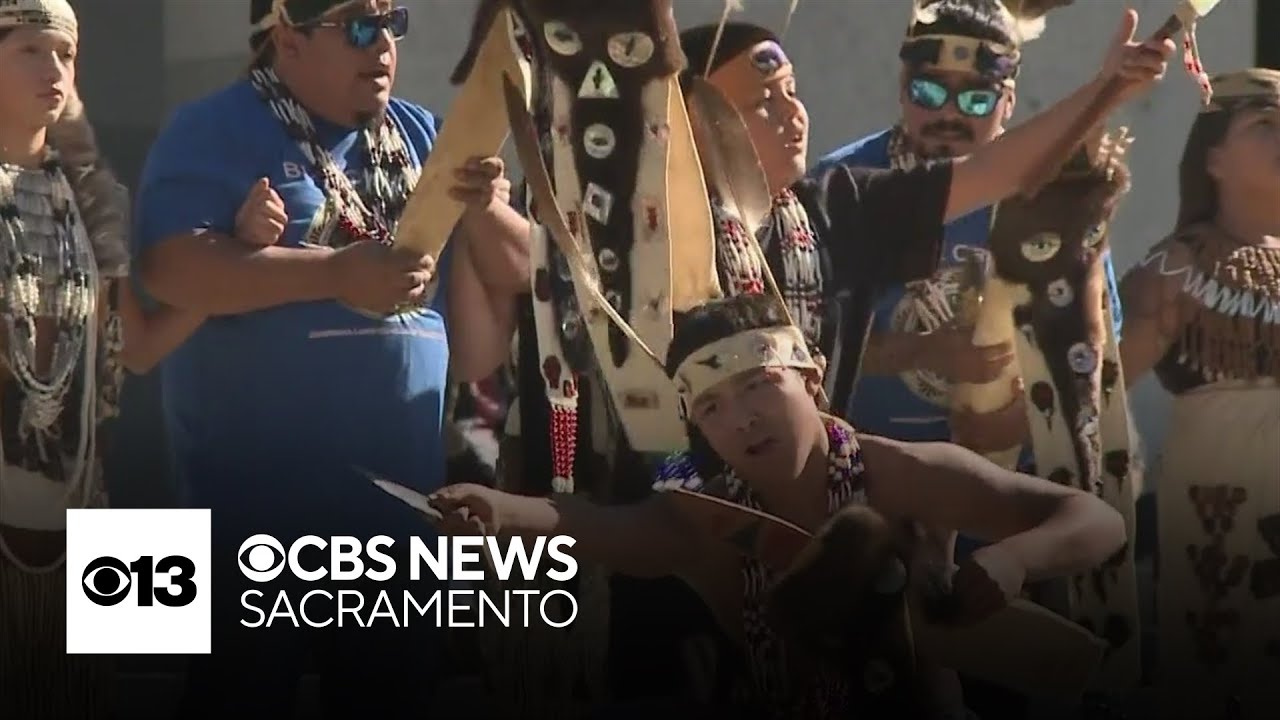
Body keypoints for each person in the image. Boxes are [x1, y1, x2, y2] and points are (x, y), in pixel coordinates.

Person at [424, 292, 1127, 718]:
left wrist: (1011, 561)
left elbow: (1098, 521)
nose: (743, 419)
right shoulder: (703, 520)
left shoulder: (902, 475)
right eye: (713, 408)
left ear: (812, 383)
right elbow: (598, 527)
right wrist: (503, 510)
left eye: (761, 385)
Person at [131, 0, 529, 716]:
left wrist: (489, 210)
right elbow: (169, 269)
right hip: (247, 522)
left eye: (392, 22)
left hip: (400, 523)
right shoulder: (213, 126)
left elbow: (482, 344)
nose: (382, 43)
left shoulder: (424, 136)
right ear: (287, 37)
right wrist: (334, 274)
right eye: (356, 26)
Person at [0, 1, 227, 716]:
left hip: (90, 513)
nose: (56, 70)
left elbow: (141, 350)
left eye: (66, 54)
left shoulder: (98, 201)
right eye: (32, 51)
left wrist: (231, 271)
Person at [817, 0, 1127, 456]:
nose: (950, 114)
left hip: (1015, 482)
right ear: (902, 90)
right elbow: (800, 334)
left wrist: (1023, 417)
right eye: (929, 93)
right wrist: (916, 352)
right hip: (870, 474)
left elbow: (1097, 339)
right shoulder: (843, 183)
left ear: (1009, 103)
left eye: (977, 99)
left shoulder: (1054, 191)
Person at [1117, 68, 1280, 720]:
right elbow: (1094, 389)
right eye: (1264, 125)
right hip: (1218, 527)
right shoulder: (1174, 267)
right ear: (1213, 157)